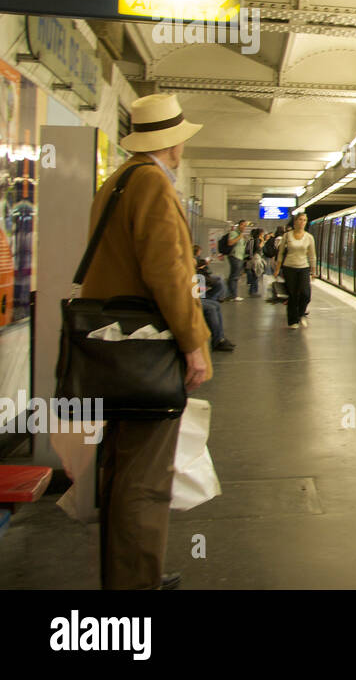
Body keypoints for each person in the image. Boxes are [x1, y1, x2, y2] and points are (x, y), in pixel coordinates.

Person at [79, 93, 212, 590]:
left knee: (121, 464)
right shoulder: (154, 183)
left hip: (114, 349)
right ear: (173, 142)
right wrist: (193, 343)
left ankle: (128, 574)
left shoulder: (118, 180)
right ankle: (136, 586)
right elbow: (169, 274)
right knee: (146, 477)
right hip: (146, 352)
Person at [274, 212, 316, 329]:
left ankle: (300, 313)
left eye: (304, 220)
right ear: (295, 221)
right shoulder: (287, 236)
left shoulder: (309, 237)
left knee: (306, 294)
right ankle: (293, 321)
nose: (302, 222)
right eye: (300, 220)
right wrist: (277, 269)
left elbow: (312, 255)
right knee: (293, 295)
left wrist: (313, 271)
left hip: (303, 267)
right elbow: (281, 253)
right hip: (289, 267)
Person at [196, 247, 235, 352]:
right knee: (211, 308)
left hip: (192, 293)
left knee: (215, 304)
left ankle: (220, 338)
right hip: (188, 297)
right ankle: (218, 340)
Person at [222, 220, 250, 300]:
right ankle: (233, 295)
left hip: (240, 257)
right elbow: (230, 243)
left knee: (234, 276)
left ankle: (231, 294)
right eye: (243, 225)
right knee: (234, 276)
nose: (244, 227)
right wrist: (239, 237)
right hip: (235, 256)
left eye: (245, 226)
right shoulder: (234, 233)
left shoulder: (241, 235)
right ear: (239, 225)